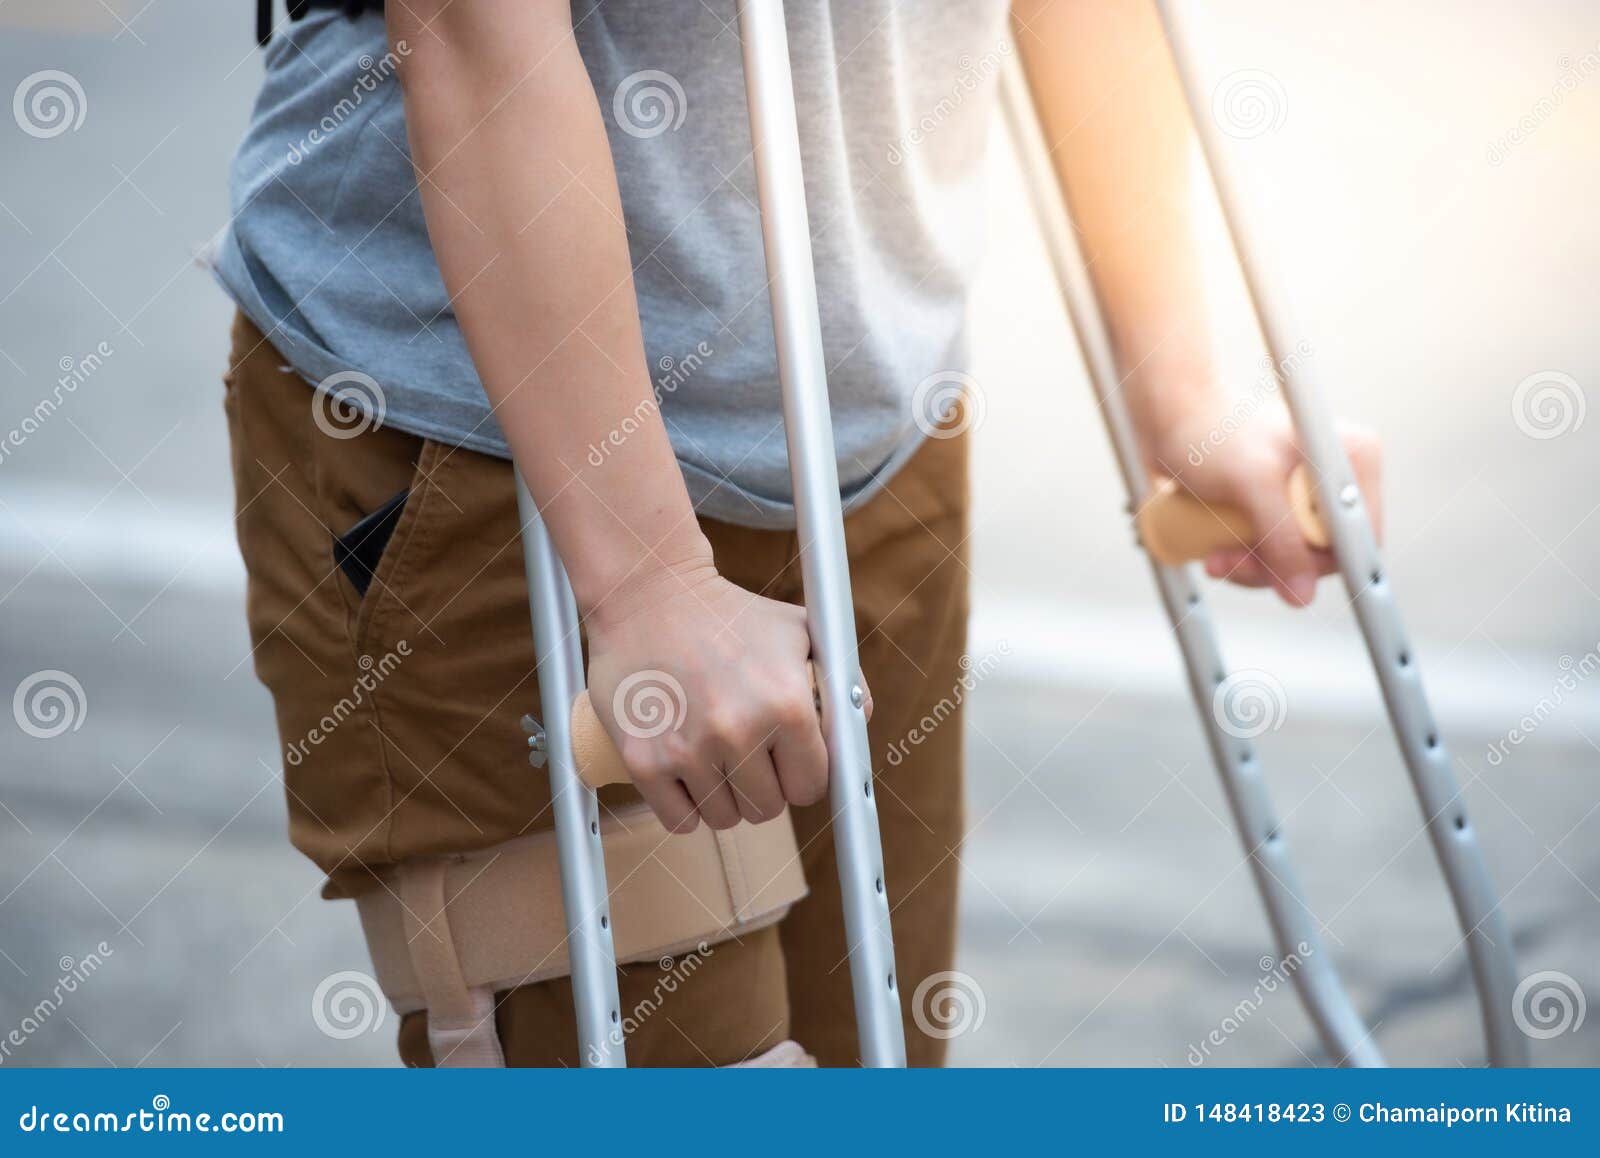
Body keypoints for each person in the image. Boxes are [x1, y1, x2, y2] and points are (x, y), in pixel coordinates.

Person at [216, 0, 1379, 1066]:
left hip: (868, 428)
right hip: (497, 441)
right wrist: (649, 582)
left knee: (879, 1064)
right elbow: (472, 31)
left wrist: (1178, 388)